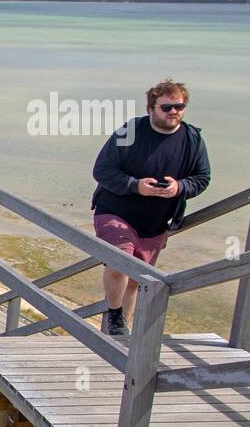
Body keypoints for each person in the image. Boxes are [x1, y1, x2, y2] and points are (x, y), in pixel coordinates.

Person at [90, 79, 211, 336]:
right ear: (151, 108)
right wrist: (136, 186)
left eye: (179, 107)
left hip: (155, 222)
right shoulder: (130, 132)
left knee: (137, 279)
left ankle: (121, 332)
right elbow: (102, 170)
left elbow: (202, 178)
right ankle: (113, 315)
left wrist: (178, 188)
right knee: (120, 261)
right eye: (167, 107)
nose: (174, 112)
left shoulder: (192, 139)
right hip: (114, 210)